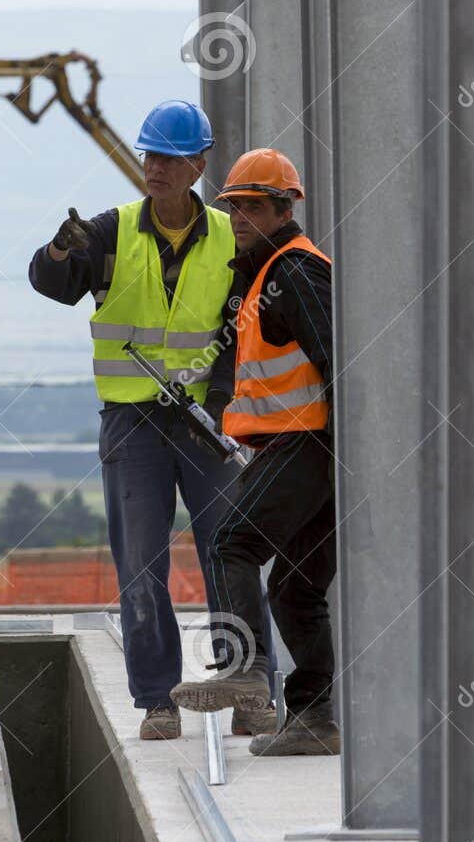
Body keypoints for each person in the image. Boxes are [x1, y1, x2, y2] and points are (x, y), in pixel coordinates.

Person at [29, 100, 273, 742]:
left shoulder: (228, 236)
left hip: (207, 424)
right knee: (141, 564)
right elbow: (52, 283)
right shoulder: (110, 231)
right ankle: (157, 699)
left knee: (232, 555)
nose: (156, 168)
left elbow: (244, 325)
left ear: (198, 164)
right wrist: (59, 251)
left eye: (170, 157)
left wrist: (222, 400)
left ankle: (247, 688)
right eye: (150, 155)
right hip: (133, 424)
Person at [171, 148, 339, 757]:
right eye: (234, 207)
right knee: (295, 589)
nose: (238, 217)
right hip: (300, 445)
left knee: (229, 543)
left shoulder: (294, 271)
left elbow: (334, 360)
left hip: (309, 443)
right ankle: (317, 720)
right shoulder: (266, 272)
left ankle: (247, 670)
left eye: (250, 207)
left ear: (282, 207)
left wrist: (338, 458)